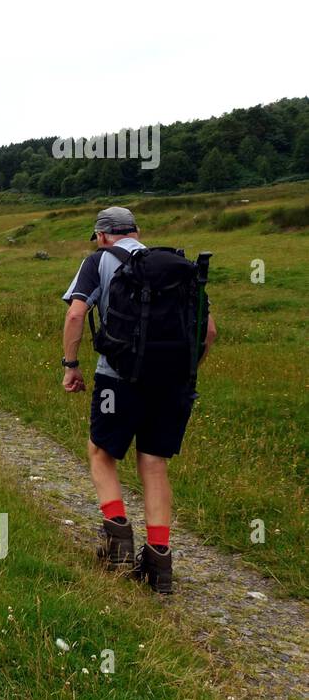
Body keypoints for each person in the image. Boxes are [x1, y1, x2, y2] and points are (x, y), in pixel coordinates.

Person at [60, 206, 217, 594]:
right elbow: (209, 330)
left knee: (101, 452)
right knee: (154, 463)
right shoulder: (177, 267)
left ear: (101, 235)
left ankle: (117, 545)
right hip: (173, 383)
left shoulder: (99, 261)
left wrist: (71, 365)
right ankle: (159, 562)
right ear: (137, 231)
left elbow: (77, 314)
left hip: (118, 378)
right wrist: (185, 369)